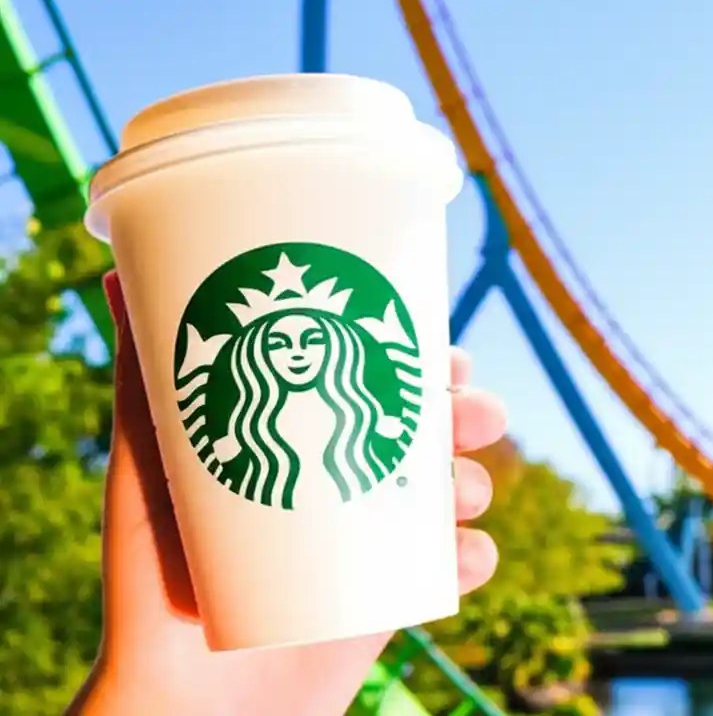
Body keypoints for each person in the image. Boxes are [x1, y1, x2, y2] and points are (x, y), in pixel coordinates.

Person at [66, 272, 507, 715]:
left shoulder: (364, 422)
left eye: (311, 340)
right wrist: (165, 697)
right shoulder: (241, 439)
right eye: (279, 343)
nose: (296, 353)